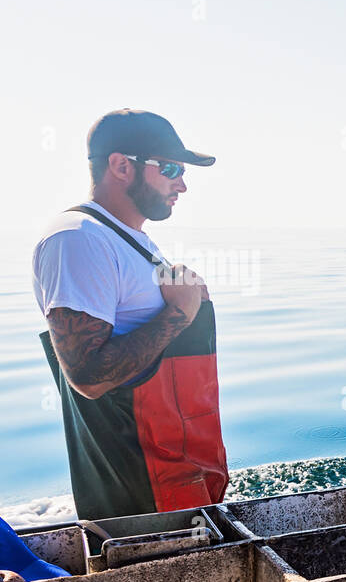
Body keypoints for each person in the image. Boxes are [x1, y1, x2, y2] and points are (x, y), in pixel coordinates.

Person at [31, 109, 228, 522]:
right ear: (121, 165)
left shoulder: (129, 239)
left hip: (180, 481)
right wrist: (178, 314)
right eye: (171, 168)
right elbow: (88, 376)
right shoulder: (77, 240)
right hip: (142, 496)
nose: (183, 184)